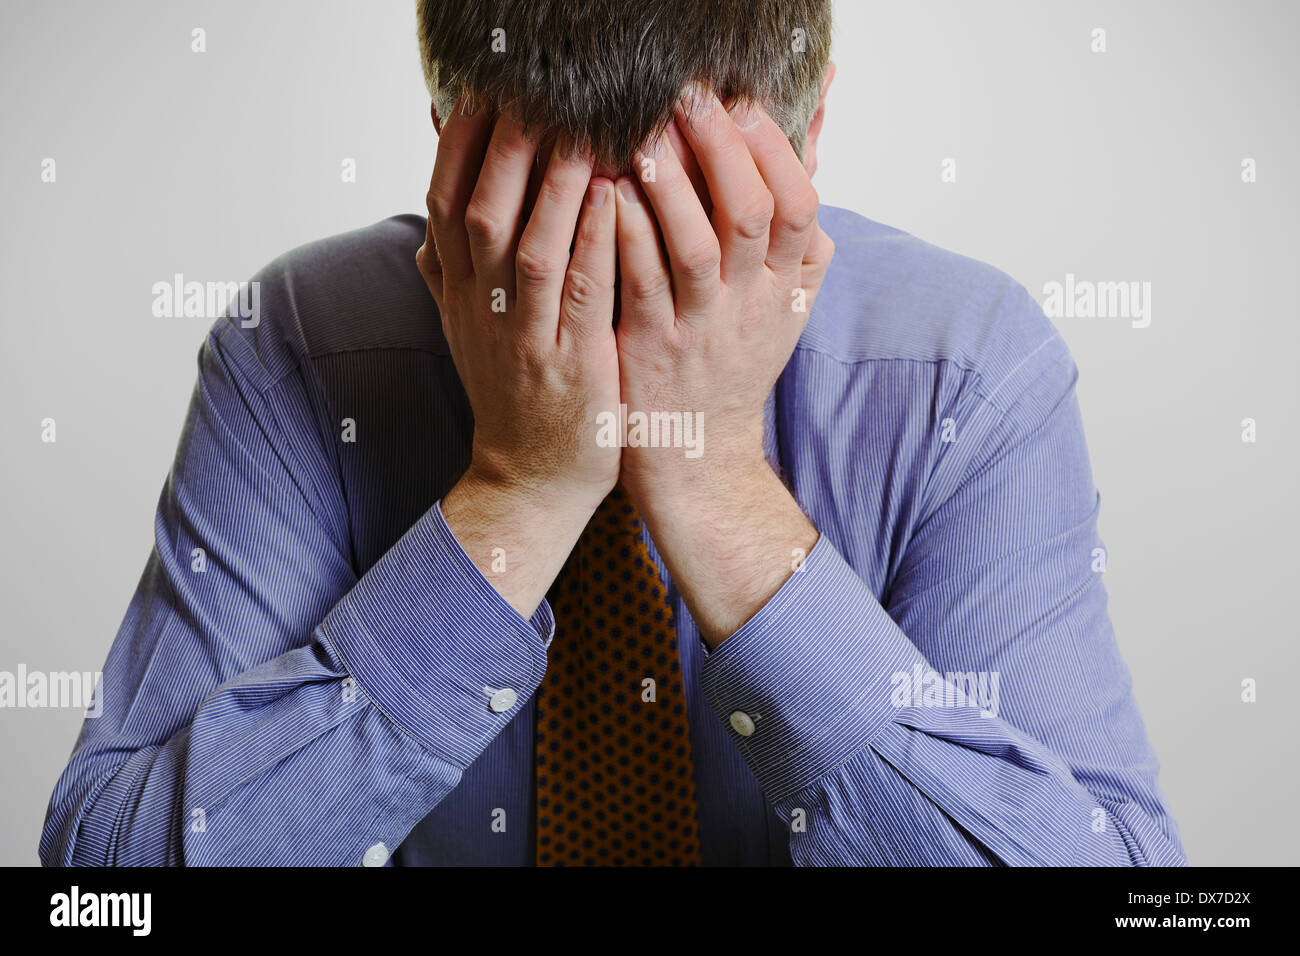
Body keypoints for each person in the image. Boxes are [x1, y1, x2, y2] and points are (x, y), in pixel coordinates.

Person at [40, 0, 1184, 866]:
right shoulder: (303, 343)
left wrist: (717, 483)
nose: (597, 306)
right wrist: (520, 491)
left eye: (689, 245)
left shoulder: (962, 370)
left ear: (811, 135)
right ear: (448, 154)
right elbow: (102, 878)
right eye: (546, 238)